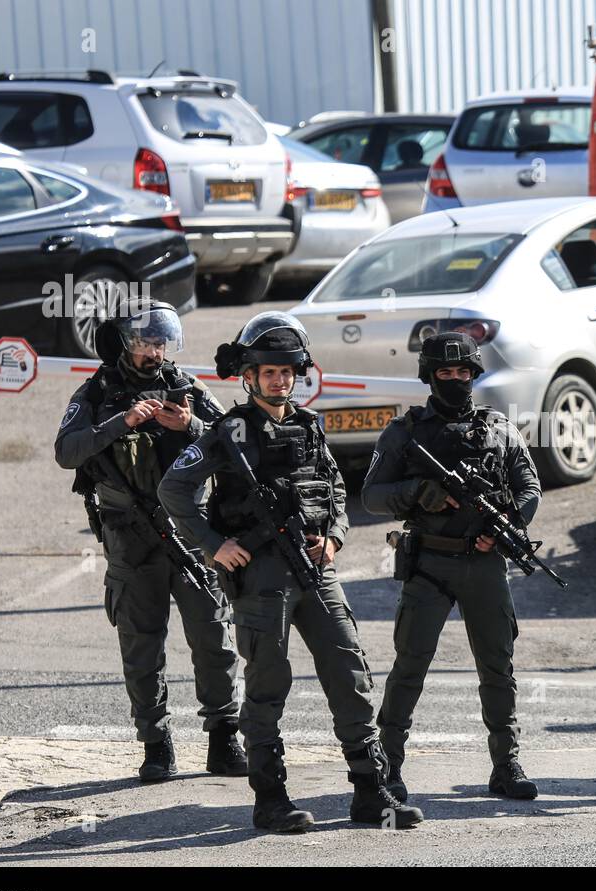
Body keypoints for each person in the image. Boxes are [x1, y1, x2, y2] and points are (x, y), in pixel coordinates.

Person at [158, 312, 422, 832]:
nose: (281, 381)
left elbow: (337, 489)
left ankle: (372, 793)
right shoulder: (227, 432)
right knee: (267, 684)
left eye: (288, 372)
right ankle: (270, 799)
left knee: (350, 675)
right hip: (261, 579)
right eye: (269, 372)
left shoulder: (309, 424)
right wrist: (214, 545)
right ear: (249, 375)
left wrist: (336, 537)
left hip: (315, 570)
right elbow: (174, 489)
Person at [55, 300, 245, 782]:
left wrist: (192, 427)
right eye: (145, 342)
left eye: (161, 342)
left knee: (213, 636)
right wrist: (122, 422)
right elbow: (66, 451)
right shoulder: (96, 393)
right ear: (124, 342)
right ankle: (156, 746)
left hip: (190, 534)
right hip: (130, 538)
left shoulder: (187, 388)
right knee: (141, 645)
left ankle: (224, 739)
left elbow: (237, 442)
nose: (155, 352)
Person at [361, 332, 541, 802]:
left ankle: (506, 765)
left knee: (498, 668)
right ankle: (388, 767)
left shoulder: (500, 429)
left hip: (484, 564)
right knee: (410, 666)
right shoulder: (404, 432)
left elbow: (529, 489)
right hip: (429, 564)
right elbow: (371, 495)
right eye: (447, 373)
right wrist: (417, 492)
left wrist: (504, 528)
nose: (457, 381)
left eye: (464, 373)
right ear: (429, 376)